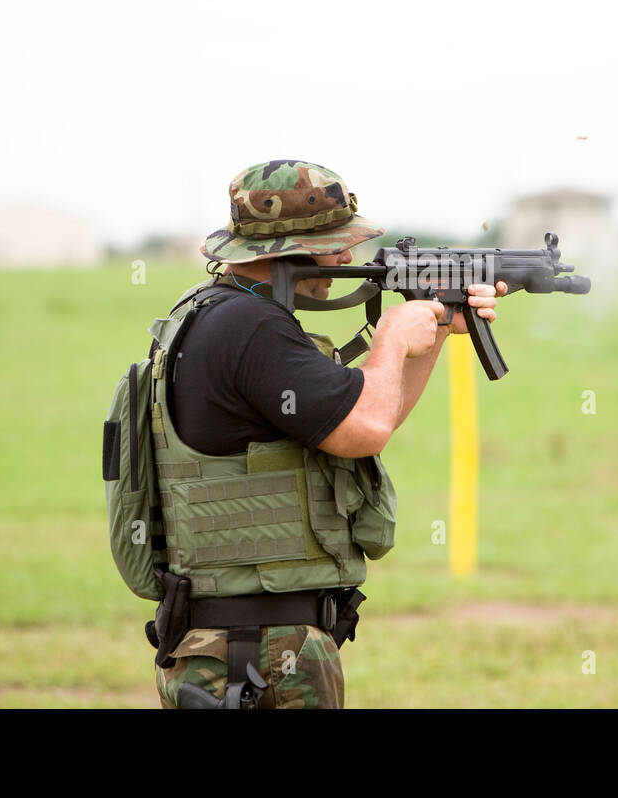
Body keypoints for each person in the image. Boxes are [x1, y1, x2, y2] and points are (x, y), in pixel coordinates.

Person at [150, 159, 503, 709]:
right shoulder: (254, 329)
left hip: (233, 642)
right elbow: (366, 429)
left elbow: (365, 417)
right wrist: (390, 339)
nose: (346, 257)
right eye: (332, 243)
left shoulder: (222, 314)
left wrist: (431, 330)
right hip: (259, 650)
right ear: (283, 249)